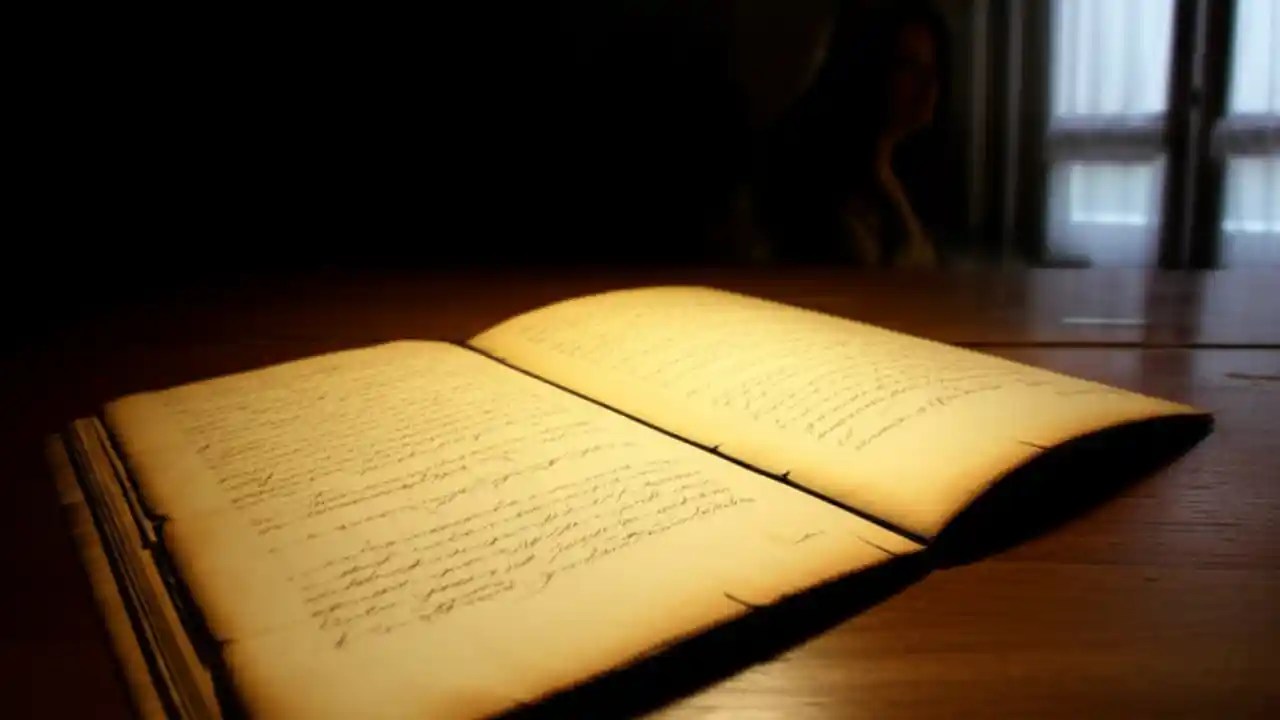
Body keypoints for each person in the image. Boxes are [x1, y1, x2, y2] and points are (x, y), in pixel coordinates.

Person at [757, 0, 951, 267]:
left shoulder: (905, 176)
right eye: (909, 67)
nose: (929, 85)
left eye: (932, 68)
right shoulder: (822, 182)